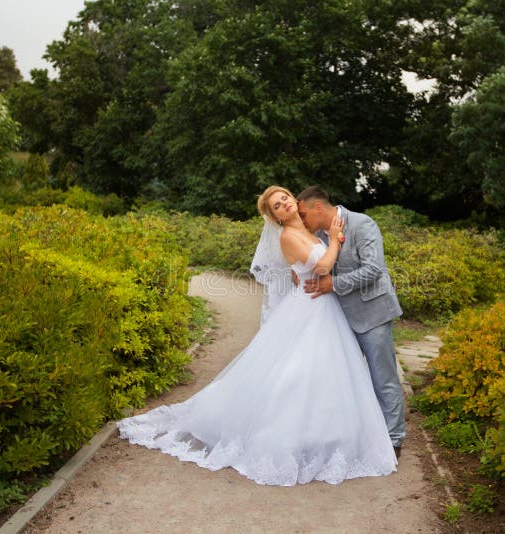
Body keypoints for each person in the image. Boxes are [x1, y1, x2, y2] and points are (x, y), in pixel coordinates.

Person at [117, 185, 397, 486]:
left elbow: (319, 269)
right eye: (278, 205)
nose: (285, 205)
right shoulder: (289, 236)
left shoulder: (314, 228)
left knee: (332, 374)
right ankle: (288, 435)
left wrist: (326, 248)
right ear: (274, 217)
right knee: (298, 374)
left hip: (330, 307)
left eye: (286, 199)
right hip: (313, 305)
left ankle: (334, 434)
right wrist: (337, 242)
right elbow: (322, 266)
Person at [296, 186, 405, 458]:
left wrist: (334, 284)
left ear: (318, 208)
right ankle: (361, 434)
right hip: (340, 320)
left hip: (373, 314)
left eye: (304, 213)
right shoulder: (319, 235)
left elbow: (373, 270)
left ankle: (394, 439)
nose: (302, 220)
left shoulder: (362, 223)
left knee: (383, 379)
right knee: (348, 380)